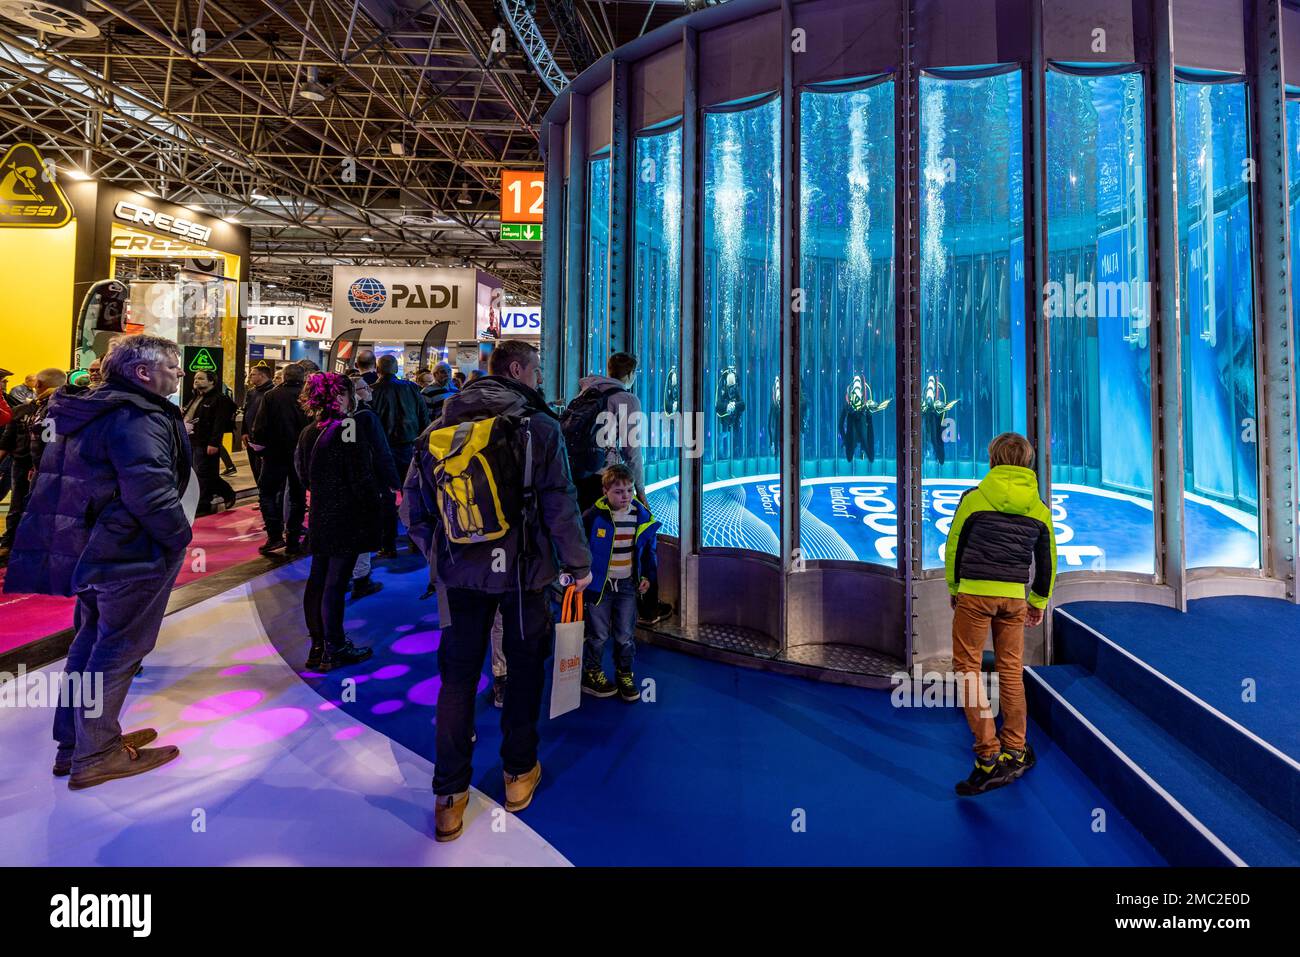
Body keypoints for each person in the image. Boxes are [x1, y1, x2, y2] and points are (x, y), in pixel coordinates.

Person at [403, 338, 592, 842]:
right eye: (536, 371)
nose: (539, 379)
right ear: (516, 369)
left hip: (459, 578)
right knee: (526, 671)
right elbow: (559, 502)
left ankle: (449, 796)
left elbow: (414, 510)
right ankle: (517, 774)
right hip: (523, 575)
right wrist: (577, 563)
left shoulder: (438, 427)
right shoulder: (540, 428)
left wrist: (440, 556)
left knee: (458, 679)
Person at [4, 334, 191, 790]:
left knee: (90, 643)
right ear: (142, 373)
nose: (180, 372)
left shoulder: (89, 408)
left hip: (88, 550)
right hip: (129, 551)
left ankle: (77, 743)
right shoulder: (136, 416)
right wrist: (178, 537)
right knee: (118, 649)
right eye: (172, 365)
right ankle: (97, 754)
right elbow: (149, 492)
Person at [945, 432, 1057, 797]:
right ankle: (1016, 748)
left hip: (975, 595)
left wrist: (954, 588)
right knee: (1010, 671)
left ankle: (988, 757)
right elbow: (1047, 560)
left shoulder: (974, 498)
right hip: (1014, 599)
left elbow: (954, 546)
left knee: (968, 670)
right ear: (1027, 462)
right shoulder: (1039, 507)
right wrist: (1038, 600)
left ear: (993, 459)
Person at [294, 373, 398, 671]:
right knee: (335, 583)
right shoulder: (349, 426)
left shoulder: (309, 431)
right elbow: (360, 476)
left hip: (321, 513)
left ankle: (318, 646)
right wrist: (374, 505)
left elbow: (303, 474)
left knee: (318, 580)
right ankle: (334, 646)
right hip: (347, 515)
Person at [580, 463, 658, 702]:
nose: (625, 496)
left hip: (627, 586)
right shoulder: (594, 516)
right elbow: (579, 545)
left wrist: (646, 576)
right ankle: (592, 672)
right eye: (618, 491)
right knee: (598, 634)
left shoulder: (641, 516)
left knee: (625, 635)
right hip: (599, 587)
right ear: (605, 492)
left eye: (629, 490)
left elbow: (648, 552)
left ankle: (625, 673)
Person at [563, 351, 646, 512]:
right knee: (604, 531)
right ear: (630, 374)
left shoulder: (586, 392)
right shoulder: (627, 399)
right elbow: (632, 450)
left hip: (575, 471)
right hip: (605, 478)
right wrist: (640, 490)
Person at [368, 353, 429, 557]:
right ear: (396, 369)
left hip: (383, 451)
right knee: (412, 496)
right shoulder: (412, 388)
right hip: (410, 448)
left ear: (378, 370)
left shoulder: (373, 391)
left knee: (386, 497)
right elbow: (424, 419)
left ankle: (388, 545)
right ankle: (415, 541)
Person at [251, 362, 310, 555]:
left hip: (275, 453)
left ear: (284, 377)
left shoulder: (271, 396)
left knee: (267, 493)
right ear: (303, 377)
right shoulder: (308, 396)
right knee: (297, 496)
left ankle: (275, 536)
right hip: (300, 454)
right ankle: (293, 538)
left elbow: (259, 427)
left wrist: (260, 448)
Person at [346, 374, 384, 600]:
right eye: (362, 388)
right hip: (362, 483)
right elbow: (379, 451)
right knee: (362, 529)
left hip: (350, 486)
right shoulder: (364, 417)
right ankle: (360, 578)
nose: (368, 390)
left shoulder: (338, 419)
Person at [182, 369, 236, 515]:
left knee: (204, 474)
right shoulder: (195, 397)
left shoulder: (219, 399)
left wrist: (214, 442)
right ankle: (224, 493)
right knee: (199, 472)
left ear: (211, 381)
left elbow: (219, 424)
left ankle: (205, 503)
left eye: (200, 378)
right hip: (192, 440)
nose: (196, 381)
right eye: (195, 378)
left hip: (205, 442)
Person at [241, 363, 274, 485]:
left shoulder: (273, 392)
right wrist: (243, 431)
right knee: (255, 469)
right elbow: (246, 412)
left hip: (265, 439)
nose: (249, 376)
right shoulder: (251, 392)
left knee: (264, 471)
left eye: (253, 374)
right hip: (250, 437)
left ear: (262, 375)